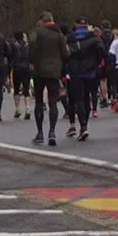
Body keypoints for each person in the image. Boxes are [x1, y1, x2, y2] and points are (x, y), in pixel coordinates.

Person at [29, 12, 68, 146]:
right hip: (54, 72)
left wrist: (32, 62)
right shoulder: (59, 35)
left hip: (39, 71)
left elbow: (31, 49)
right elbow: (65, 53)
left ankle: (40, 132)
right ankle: (52, 131)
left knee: (39, 102)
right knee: (53, 102)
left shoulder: (36, 32)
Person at [64, 19, 105, 140]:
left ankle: (82, 125)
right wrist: (96, 63)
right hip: (90, 71)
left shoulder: (70, 37)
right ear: (87, 26)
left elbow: (65, 54)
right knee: (87, 97)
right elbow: (101, 51)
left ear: (76, 25)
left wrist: (67, 67)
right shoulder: (93, 37)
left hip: (75, 72)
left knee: (78, 99)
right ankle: (85, 125)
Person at [10, 30, 33, 120]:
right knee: (26, 88)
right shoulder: (28, 45)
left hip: (17, 68)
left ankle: (17, 109)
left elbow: (11, 56)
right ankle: (27, 108)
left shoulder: (14, 45)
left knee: (16, 89)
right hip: (26, 68)